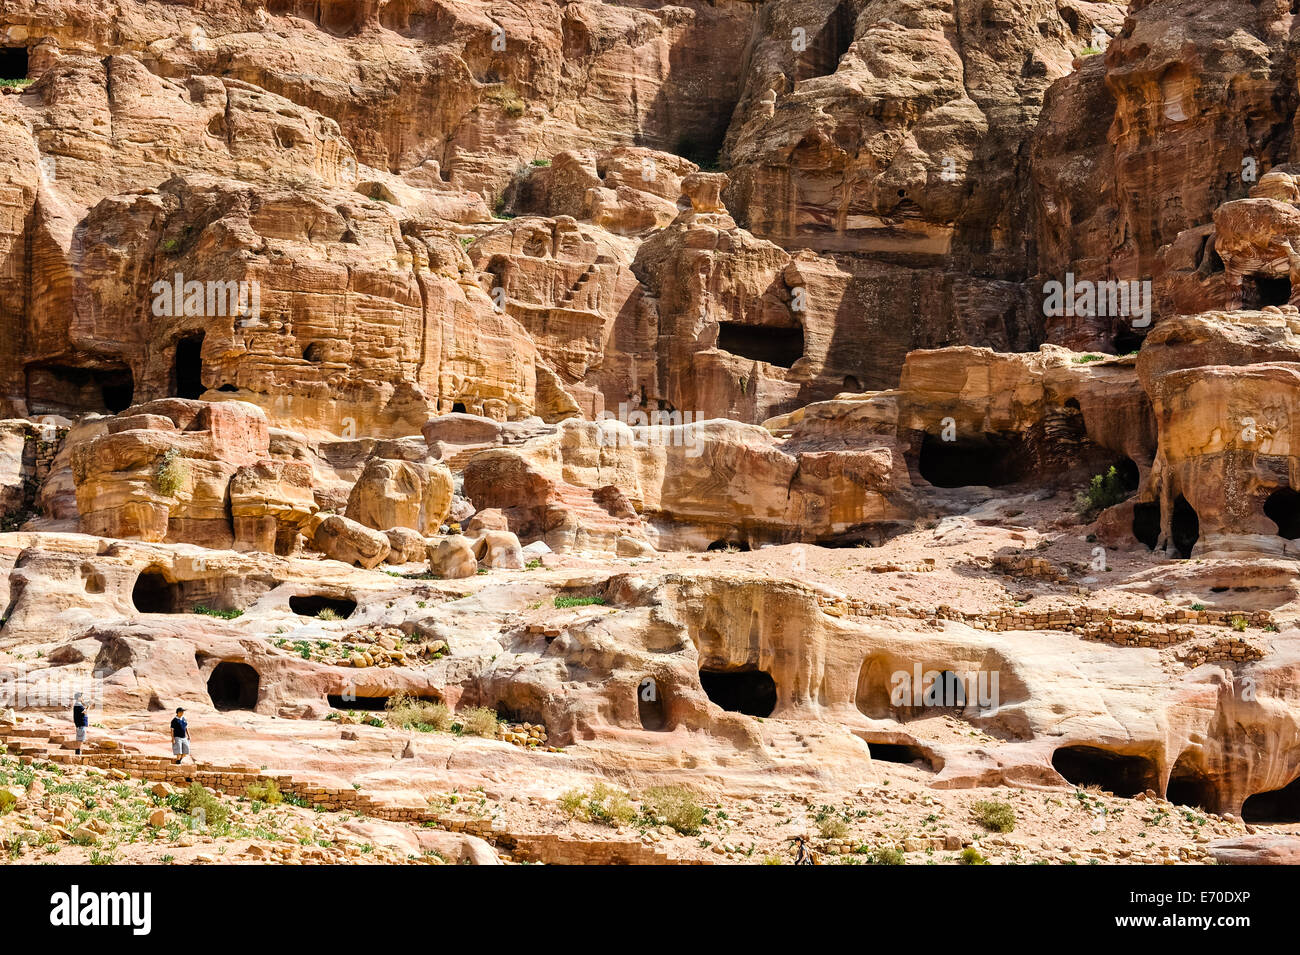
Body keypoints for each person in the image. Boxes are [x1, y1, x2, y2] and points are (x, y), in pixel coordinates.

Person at [72, 692, 88, 756]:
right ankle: (78, 753)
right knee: (80, 739)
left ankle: (78, 752)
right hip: (80, 724)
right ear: (78, 698)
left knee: (80, 738)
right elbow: (85, 712)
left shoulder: (77, 704)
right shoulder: (78, 705)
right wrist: (88, 706)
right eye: (81, 697)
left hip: (79, 724)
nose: (82, 698)